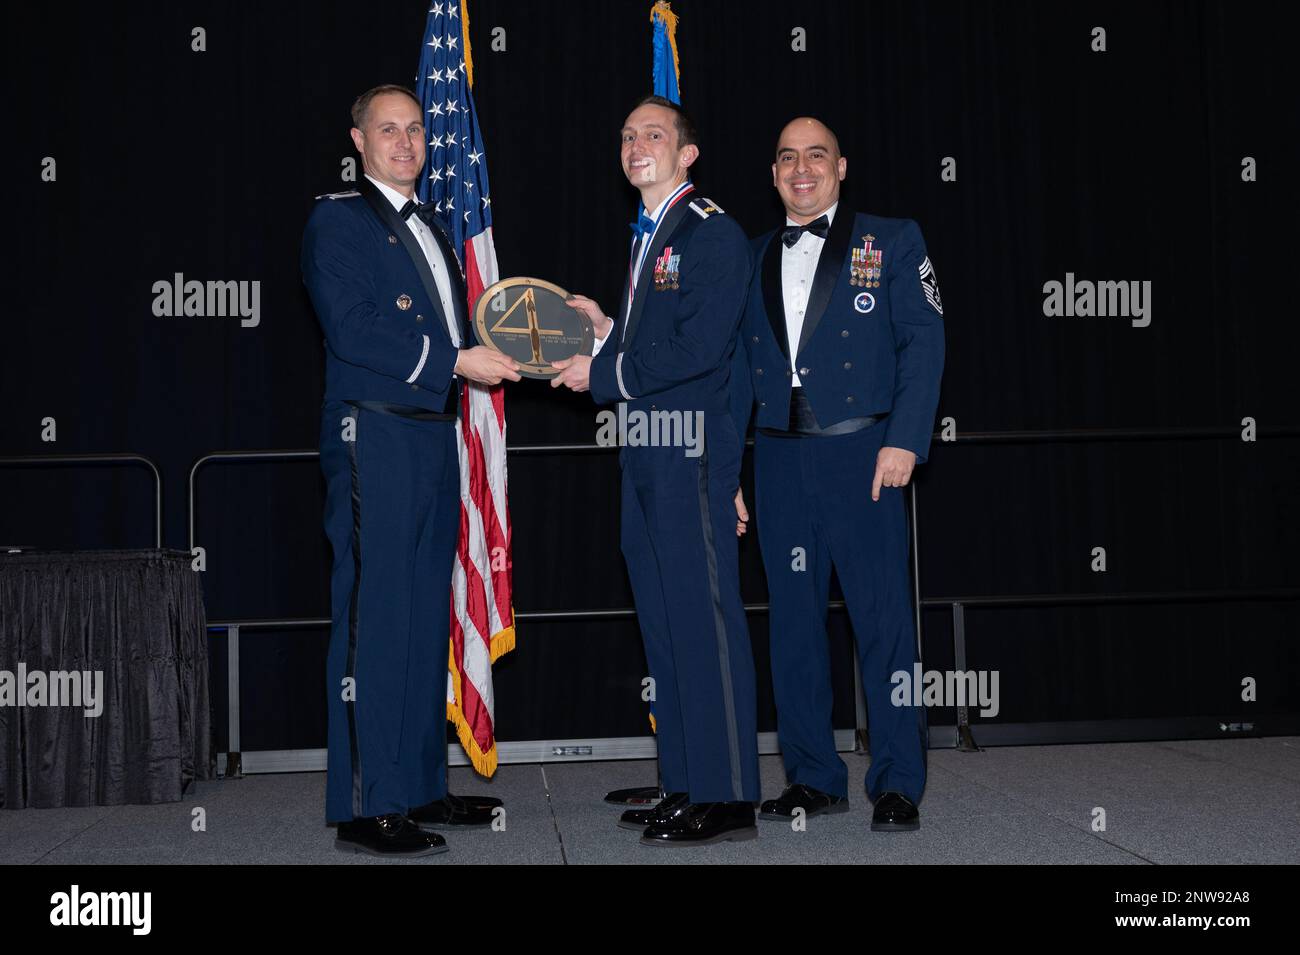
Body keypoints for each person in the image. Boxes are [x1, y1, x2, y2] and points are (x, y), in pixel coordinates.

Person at [301, 84, 520, 856]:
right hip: (376, 435)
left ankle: (421, 781)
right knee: (376, 615)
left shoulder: (430, 223)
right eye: (387, 130)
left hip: (434, 434)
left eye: (416, 129)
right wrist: (460, 360)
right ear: (358, 140)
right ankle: (368, 802)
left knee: (427, 610)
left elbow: (469, 331)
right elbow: (355, 330)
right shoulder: (338, 218)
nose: (405, 141)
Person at [551, 96, 760, 846]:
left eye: (654, 135)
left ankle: (730, 791)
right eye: (628, 134)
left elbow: (701, 351)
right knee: (666, 623)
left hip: (690, 448)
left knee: (704, 620)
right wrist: (609, 330)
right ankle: (685, 777)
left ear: (687, 153)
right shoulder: (650, 234)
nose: (637, 144)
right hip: (645, 447)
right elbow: (659, 342)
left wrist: (601, 373)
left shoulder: (713, 234)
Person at [730, 117, 945, 832]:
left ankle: (897, 781)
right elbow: (731, 374)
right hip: (779, 461)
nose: (801, 167)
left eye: (815, 155)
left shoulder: (893, 238)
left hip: (864, 456)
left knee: (882, 623)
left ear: (841, 166)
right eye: (786, 155)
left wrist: (906, 441)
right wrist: (731, 467)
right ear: (773, 173)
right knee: (792, 625)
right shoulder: (753, 253)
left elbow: (924, 339)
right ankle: (814, 776)